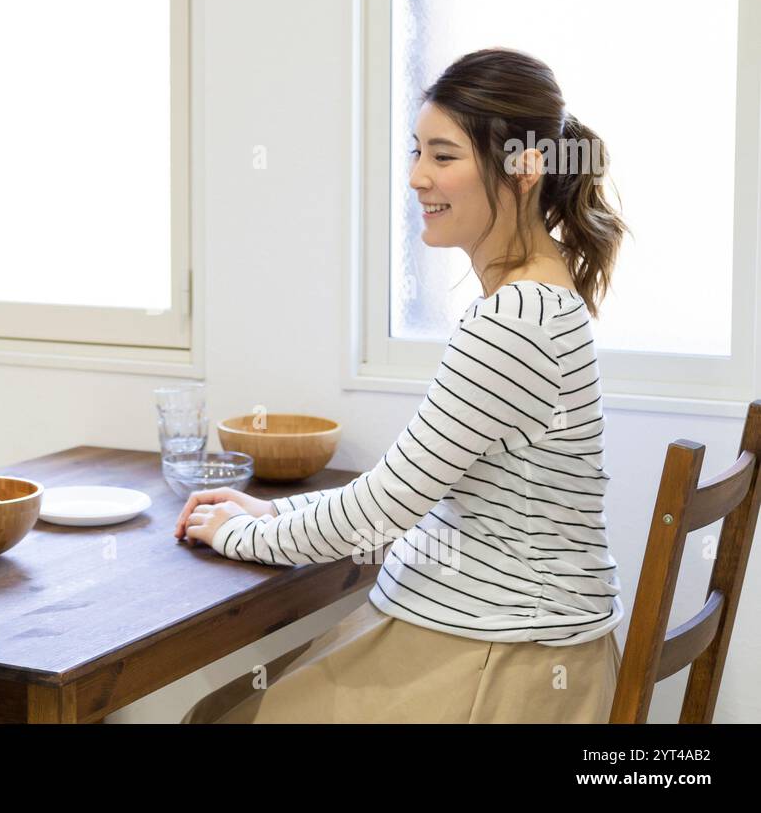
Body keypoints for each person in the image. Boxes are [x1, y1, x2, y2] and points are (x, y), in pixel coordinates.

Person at [176, 48, 629, 723]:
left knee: (217, 718)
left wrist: (237, 535)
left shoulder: (514, 321)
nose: (417, 177)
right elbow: (406, 493)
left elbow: (381, 511)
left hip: (505, 662)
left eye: (444, 156)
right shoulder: (540, 296)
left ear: (524, 168)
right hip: (499, 635)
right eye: (416, 151)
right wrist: (273, 514)